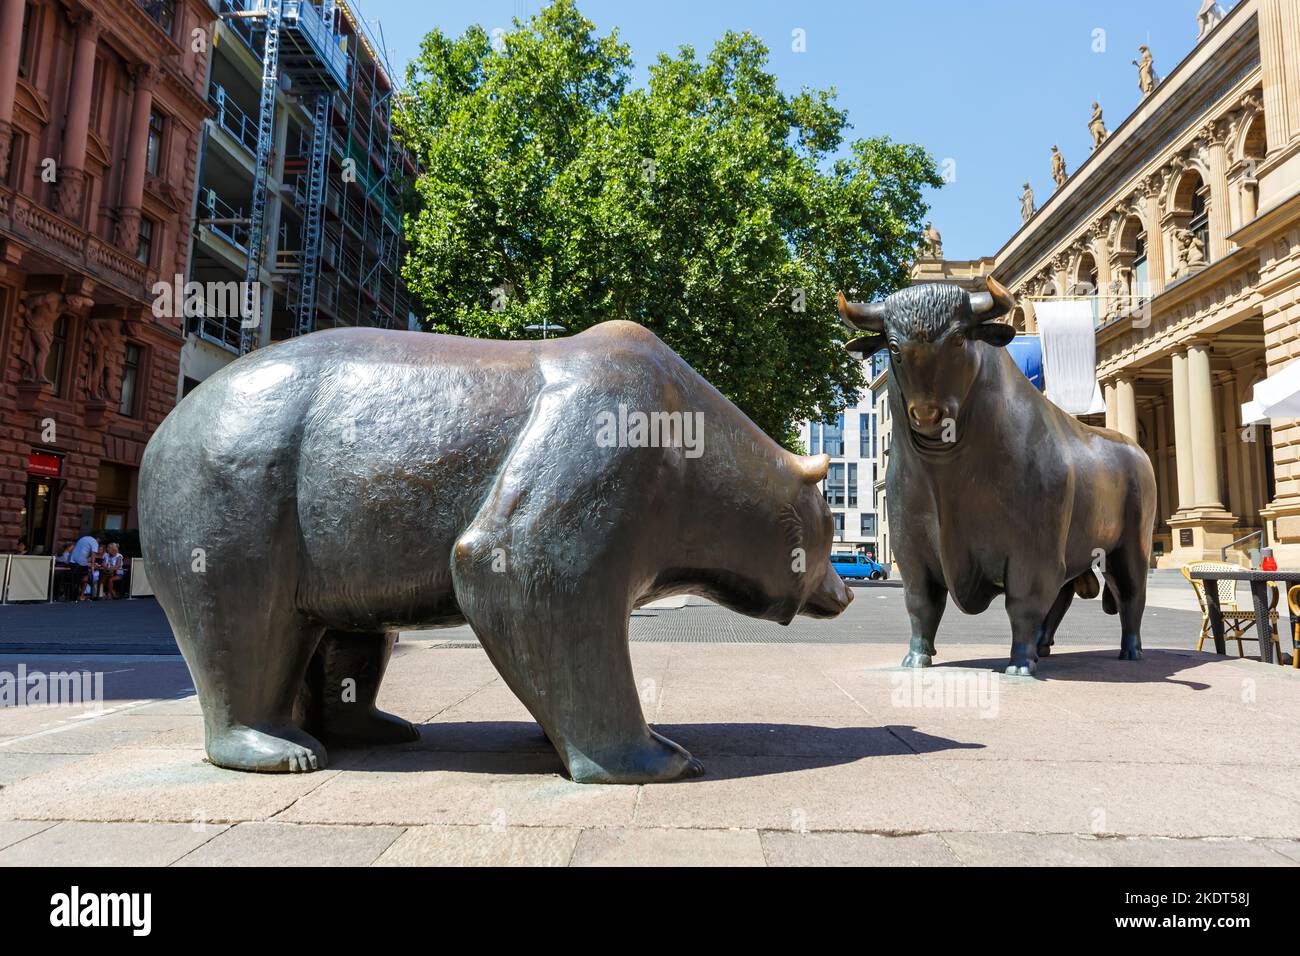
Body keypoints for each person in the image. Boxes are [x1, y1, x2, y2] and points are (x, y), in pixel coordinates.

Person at [70, 532, 101, 602]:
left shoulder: (83, 538)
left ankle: (78, 596)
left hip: (72, 560)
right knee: (85, 578)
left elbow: (80, 550)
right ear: (98, 539)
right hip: (81, 562)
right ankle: (81, 596)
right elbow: (93, 555)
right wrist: (93, 565)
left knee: (76, 579)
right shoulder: (94, 542)